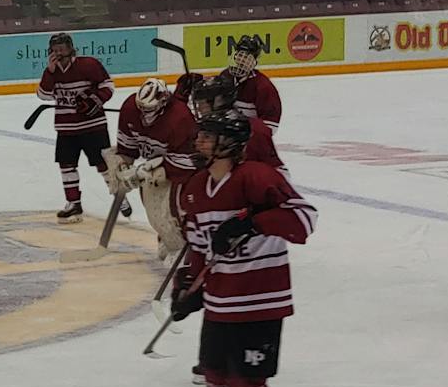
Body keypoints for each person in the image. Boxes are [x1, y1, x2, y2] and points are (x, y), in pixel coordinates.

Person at [165, 116, 316, 387]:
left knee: (245, 381)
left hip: (261, 298)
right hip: (221, 301)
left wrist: (252, 223)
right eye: (198, 135)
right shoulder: (195, 187)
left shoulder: (258, 178)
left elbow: (304, 220)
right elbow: (200, 247)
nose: (198, 142)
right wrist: (189, 286)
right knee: (216, 377)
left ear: (230, 143)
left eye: (207, 137)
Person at [37, 32, 128, 224]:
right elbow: (44, 95)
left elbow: (107, 86)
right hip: (66, 128)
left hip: (92, 126)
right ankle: (73, 203)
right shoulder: (51, 72)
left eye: (62, 48)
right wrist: (50, 72)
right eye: (55, 49)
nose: (59, 52)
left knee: (103, 164)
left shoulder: (88, 65)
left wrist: (93, 100)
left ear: (71, 48)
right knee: (66, 165)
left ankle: (120, 197)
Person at [110, 75, 197, 262]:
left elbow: (188, 161)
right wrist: (123, 169)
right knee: (153, 209)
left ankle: (185, 245)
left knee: (175, 207)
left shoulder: (180, 118)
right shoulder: (129, 108)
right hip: (155, 161)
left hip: (181, 167)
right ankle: (165, 237)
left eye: (148, 108)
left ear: (163, 104)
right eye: (140, 107)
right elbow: (127, 148)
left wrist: (150, 169)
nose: (142, 113)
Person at [177, 34, 282, 126]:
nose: (241, 61)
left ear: (254, 62)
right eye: (240, 56)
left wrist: (249, 136)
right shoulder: (226, 75)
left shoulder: (263, 87)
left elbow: (270, 124)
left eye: (247, 58)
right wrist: (200, 81)